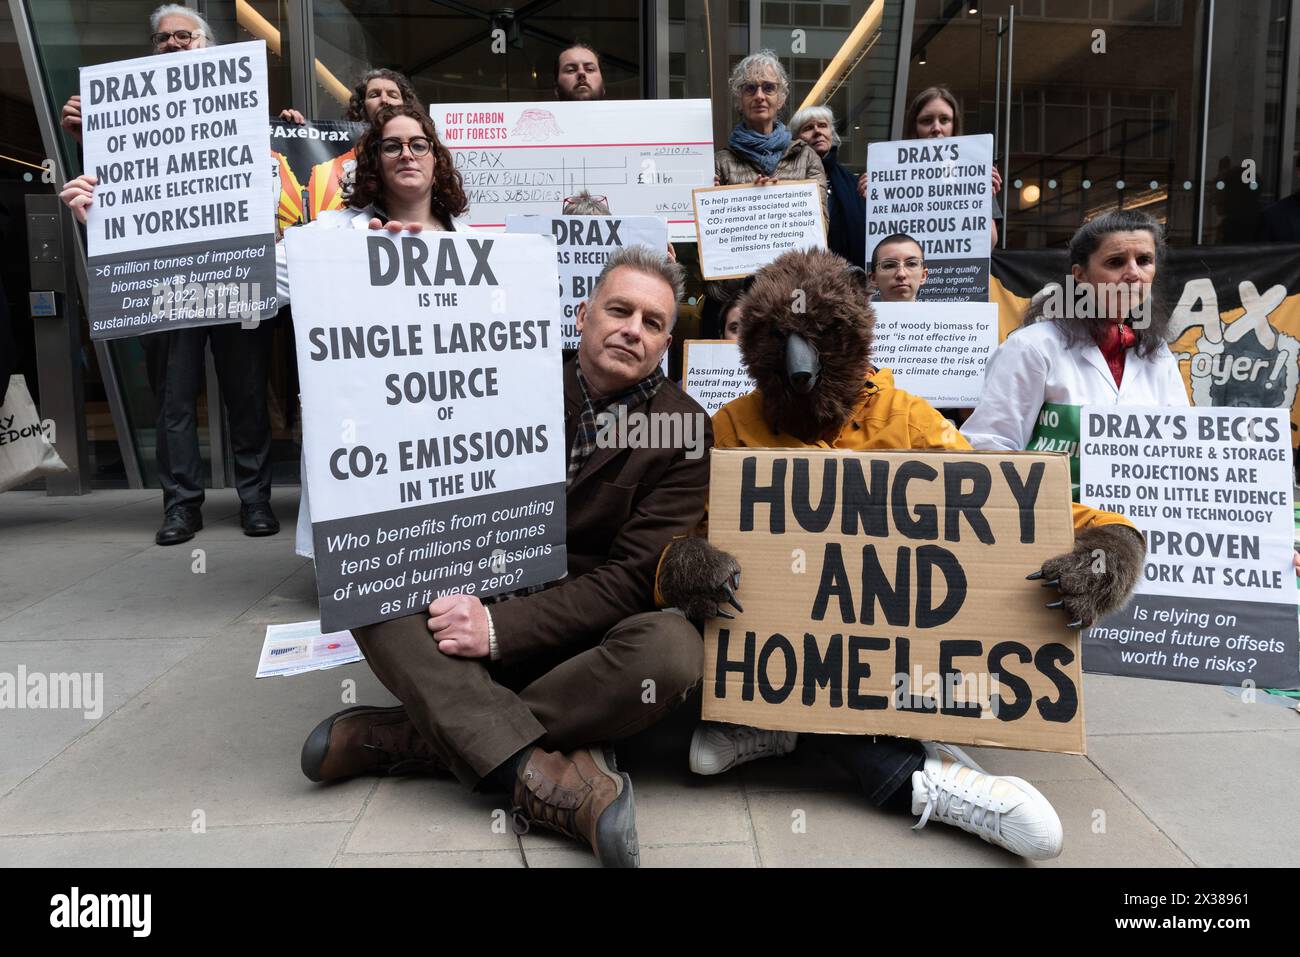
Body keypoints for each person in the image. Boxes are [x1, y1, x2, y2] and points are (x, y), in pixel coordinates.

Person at [655, 248, 1152, 861]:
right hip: (781, 645)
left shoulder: (909, 422)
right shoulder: (730, 426)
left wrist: (1110, 541)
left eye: (820, 338)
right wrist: (684, 566)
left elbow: (1010, 505)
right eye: (781, 338)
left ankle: (783, 726)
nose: (800, 364)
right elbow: (675, 536)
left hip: (883, 658)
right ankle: (924, 777)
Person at [298, 246, 711, 868]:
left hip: (580, 645)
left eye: (652, 322)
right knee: (362, 570)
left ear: (667, 341)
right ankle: (547, 780)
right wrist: (371, 266)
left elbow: (632, 580)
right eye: (619, 310)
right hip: (458, 611)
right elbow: (401, 353)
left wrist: (498, 630)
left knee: (673, 650)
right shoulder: (499, 374)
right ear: (582, 315)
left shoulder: (683, 429)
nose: (632, 329)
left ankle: (418, 736)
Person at [58, 4, 279, 546]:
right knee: (173, 399)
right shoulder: (121, 110)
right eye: (164, 39)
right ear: (152, 48)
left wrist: (286, 130)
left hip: (233, 267)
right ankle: (181, 507)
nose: (174, 44)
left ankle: (255, 500)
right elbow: (112, 182)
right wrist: (86, 136)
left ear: (205, 45)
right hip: (163, 277)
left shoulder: (237, 98)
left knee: (246, 392)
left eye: (185, 35)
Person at [275, 104, 472, 559]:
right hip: (373, 436)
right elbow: (242, 283)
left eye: (419, 144)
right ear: (373, 162)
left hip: (451, 430)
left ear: (435, 158)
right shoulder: (332, 239)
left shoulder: (473, 243)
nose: (407, 154)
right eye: (392, 146)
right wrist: (111, 232)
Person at [961, 209, 1188, 491]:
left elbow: (1180, 450)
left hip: (1138, 527)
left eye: (1144, 260)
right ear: (1080, 275)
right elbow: (989, 446)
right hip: (1055, 524)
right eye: (1116, 262)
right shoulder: (1031, 347)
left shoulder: (1159, 354)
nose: (1133, 273)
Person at [857, 85, 1003, 246]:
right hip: (907, 269)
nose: (936, 128)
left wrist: (983, 200)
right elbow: (880, 242)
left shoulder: (974, 173)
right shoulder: (890, 175)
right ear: (915, 127)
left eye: (944, 120)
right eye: (927, 121)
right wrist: (875, 202)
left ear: (954, 125)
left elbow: (989, 242)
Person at [714, 50, 827, 227]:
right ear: (739, 100)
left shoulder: (806, 157)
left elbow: (820, 225)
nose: (759, 96)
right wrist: (750, 201)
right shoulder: (720, 163)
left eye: (768, 88)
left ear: (781, 99)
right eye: (750, 88)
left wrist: (773, 203)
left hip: (793, 256)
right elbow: (712, 231)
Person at [791, 105, 865, 267]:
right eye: (808, 128)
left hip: (848, 279)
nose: (817, 131)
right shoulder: (786, 180)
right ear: (796, 139)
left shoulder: (852, 183)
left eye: (823, 125)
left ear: (832, 134)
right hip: (804, 275)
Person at [869, 232, 928, 302]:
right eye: (889, 266)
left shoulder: (942, 313)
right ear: (873, 279)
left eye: (911, 264)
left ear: (923, 276)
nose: (901, 274)